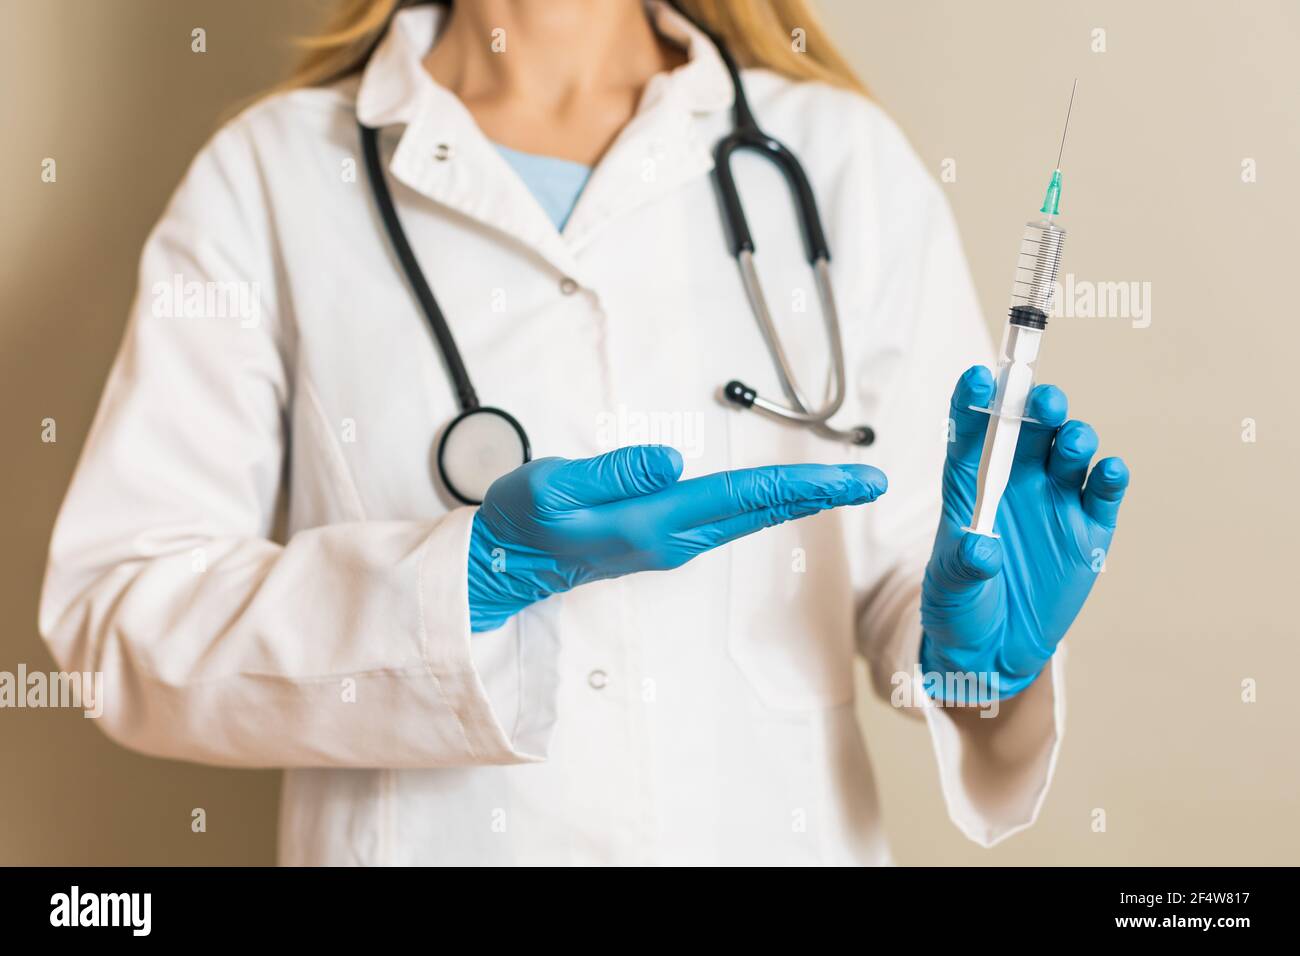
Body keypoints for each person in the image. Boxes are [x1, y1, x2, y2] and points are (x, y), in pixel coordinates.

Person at [39, 0, 1129, 865]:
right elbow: (116, 620)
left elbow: (915, 586)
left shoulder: (843, 164)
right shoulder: (269, 176)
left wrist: (978, 662)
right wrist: (463, 579)